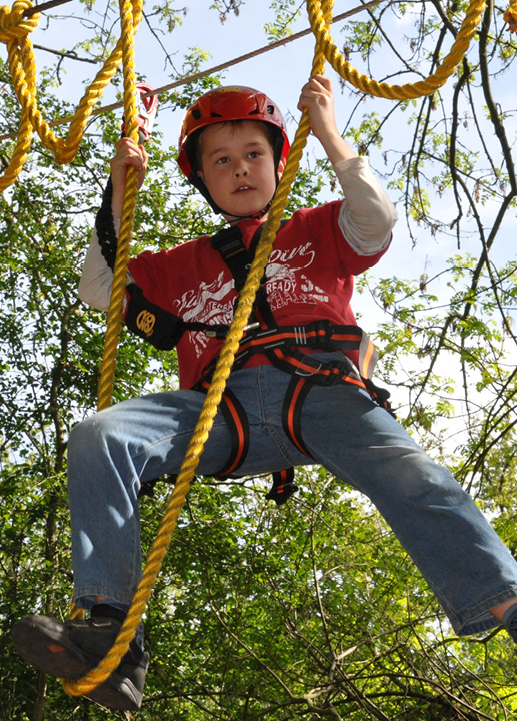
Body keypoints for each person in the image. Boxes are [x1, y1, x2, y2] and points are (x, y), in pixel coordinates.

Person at [12, 75, 517, 711]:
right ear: (201, 179)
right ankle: (113, 632)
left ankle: (502, 596)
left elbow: (376, 218)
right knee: (99, 434)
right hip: (220, 411)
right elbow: (99, 288)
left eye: (254, 153)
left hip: (319, 389)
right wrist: (120, 187)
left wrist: (328, 130)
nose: (240, 169)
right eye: (221, 160)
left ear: (279, 161)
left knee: (409, 470)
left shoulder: (317, 229)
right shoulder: (180, 265)